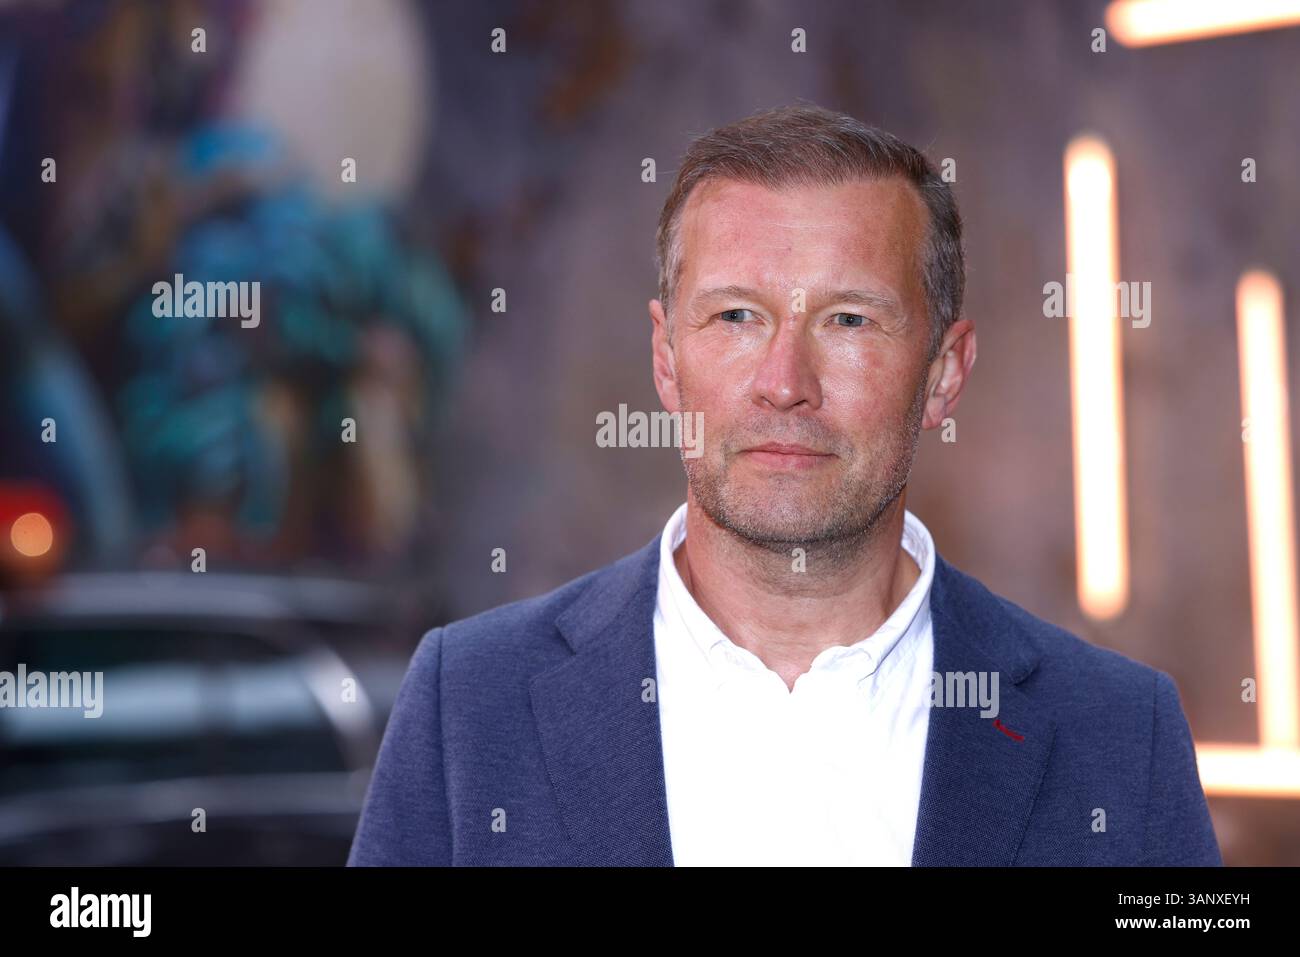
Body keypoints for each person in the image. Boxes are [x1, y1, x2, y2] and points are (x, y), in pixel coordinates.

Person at [347, 104, 1222, 866]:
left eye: (848, 319)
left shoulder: (1119, 736)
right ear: (664, 357)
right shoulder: (468, 705)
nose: (785, 380)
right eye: (736, 316)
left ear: (944, 374)